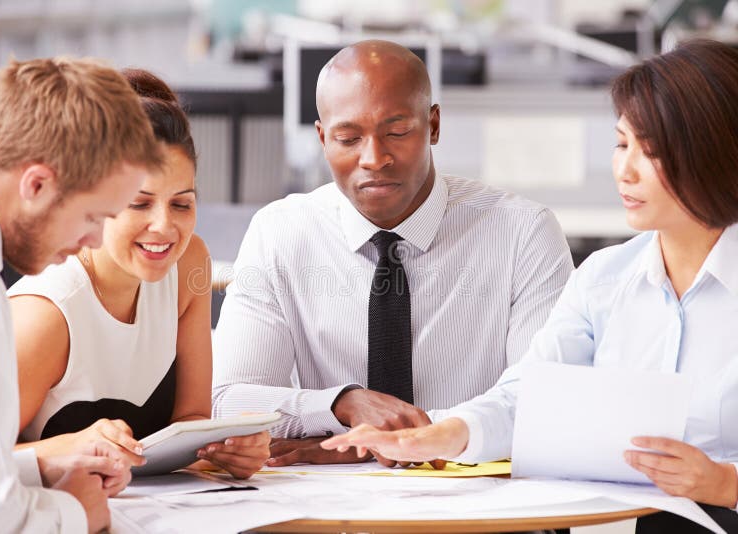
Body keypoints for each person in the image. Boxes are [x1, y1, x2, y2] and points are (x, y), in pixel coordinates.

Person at [322, 39, 738, 532]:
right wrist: (441, 435)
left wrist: (724, 483)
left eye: (651, 151)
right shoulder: (605, 278)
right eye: (622, 143)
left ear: (716, 153)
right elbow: (528, 397)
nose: (625, 170)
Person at [212, 39, 574, 467]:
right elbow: (228, 403)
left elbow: (542, 401)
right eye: (348, 138)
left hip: (475, 509)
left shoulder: (523, 233)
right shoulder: (281, 232)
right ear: (322, 138)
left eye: (397, 132)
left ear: (433, 125)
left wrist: (374, 442)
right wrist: (340, 406)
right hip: (332, 511)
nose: (374, 158)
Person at [8, 69, 270, 480]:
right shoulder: (45, 315)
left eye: (181, 204)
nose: (164, 227)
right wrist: (62, 450)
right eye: (139, 203)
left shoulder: (189, 265)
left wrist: (224, 449)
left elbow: (192, 419)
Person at [0, 57, 164, 533]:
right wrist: (74, 513)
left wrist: (34, 469)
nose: (96, 241)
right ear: (36, 184)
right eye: (92, 217)